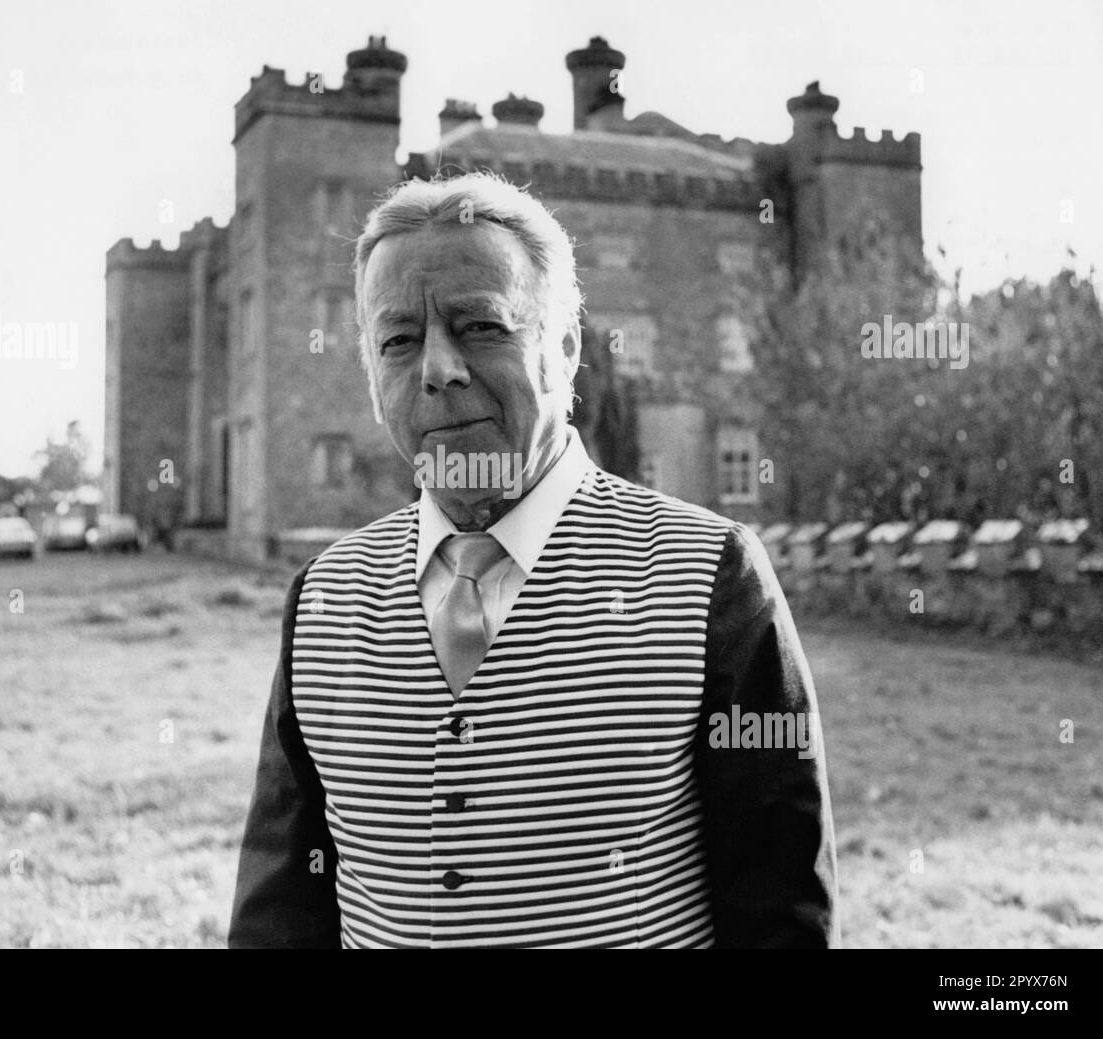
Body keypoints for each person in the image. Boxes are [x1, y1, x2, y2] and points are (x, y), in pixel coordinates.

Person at [228, 172, 838, 948]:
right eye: (398, 339)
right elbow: (280, 911)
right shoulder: (323, 597)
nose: (437, 369)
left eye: (480, 326)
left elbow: (780, 912)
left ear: (567, 348)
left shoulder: (710, 574)